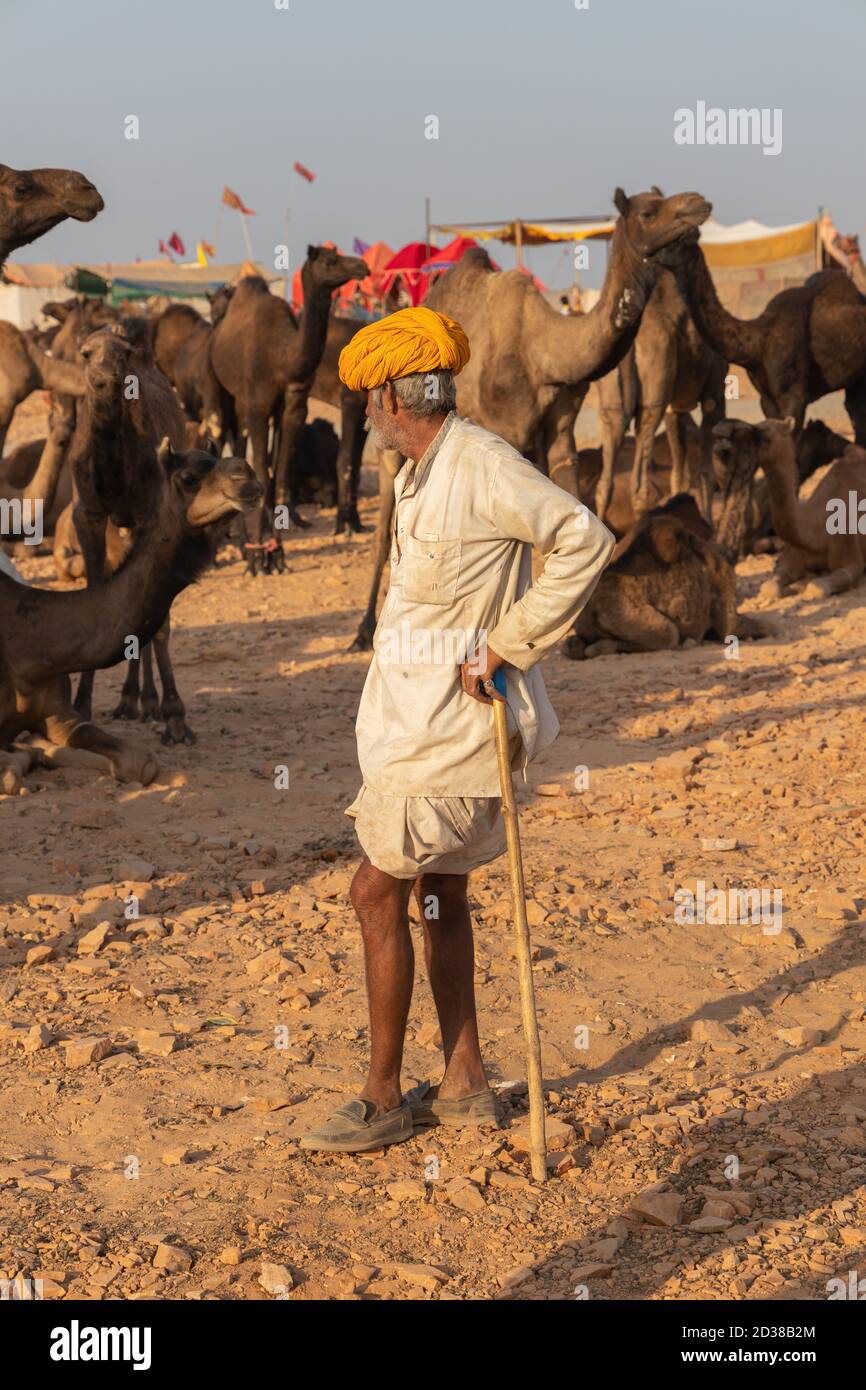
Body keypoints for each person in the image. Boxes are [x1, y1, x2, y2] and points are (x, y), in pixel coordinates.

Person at [301, 306, 614, 1153]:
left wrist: (509, 644)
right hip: (412, 727)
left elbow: (583, 538)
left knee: (376, 890)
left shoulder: (481, 464)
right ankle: (467, 1080)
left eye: (370, 399)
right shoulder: (417, 474)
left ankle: (381, 1097)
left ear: (401, 396)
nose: (365, 414)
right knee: (440, 891)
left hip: (450, 733)